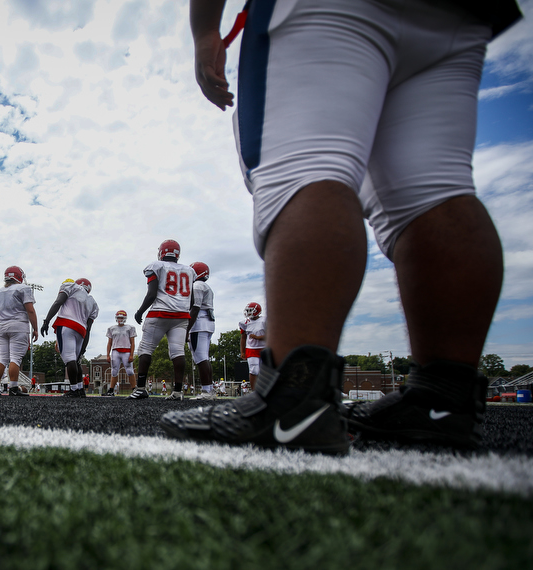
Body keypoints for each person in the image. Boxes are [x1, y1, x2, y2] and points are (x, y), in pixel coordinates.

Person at [162, 0, 521, 453]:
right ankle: (443, 402)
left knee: (306, 170)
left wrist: (204, 32)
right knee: (435, 189)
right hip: (456, 14)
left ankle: (295, 402)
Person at [129, 239, 196, 400]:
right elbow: (192, 301)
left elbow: (152, 294)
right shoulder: (189, 271)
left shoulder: (156, 266)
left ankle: (140, 388)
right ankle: (178, 392)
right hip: (181, 316)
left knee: (146, 349)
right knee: (178, 351)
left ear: (161, 252)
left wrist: (140, 311)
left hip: (160, 313)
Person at [40, 278, 97, 398]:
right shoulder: (93, 302)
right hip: (81, 331)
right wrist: (84, 348)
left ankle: (74, 389)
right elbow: (89, 329)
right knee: (76, 360)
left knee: (69, 359)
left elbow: (58, 302)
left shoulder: (71, 286)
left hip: (67, 325)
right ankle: (80, 389)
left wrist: (47, 320)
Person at [0, 266, 38, 396]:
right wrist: (35, 328)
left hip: (3, 326)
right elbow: (30, 310)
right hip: (18, 325)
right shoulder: (23, 288)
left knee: (2, 358)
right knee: (15, 358)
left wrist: (1, 325)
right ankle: (13, 388)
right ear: (18, 276)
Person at [186, 262, 217, 401]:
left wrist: (186, 329)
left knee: (200, 358)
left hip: (199, 324)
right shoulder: (206, 287)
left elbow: (195, 308)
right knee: (204, 357)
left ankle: (206, 391)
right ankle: (209, 390)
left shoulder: (197, 285)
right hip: (207, 323)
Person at [105, 310, 136, 397]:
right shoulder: (111, 328)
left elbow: (132, 342)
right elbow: (109, 342)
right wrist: (108, 355)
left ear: (125, 318)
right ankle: (111, 390)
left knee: (130, 371)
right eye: (118, 317)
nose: (119, 319)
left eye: (121, 317)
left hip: (126, 351)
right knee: (114, 371)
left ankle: (134, 389)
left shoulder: (130, 327)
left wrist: (131, 354)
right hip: (115, 351)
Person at [238, 302, 266, 389]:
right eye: (247, 311)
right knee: (254, 370)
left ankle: (264, 390)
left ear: (257, 311)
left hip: (264, 348)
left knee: (264, 371)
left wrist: (258, 337)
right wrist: (242, 351)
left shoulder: (265, 320)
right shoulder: (245, 323)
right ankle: (254, 392)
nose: (248, 313)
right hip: (251, 349)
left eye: (250, 311)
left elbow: (271, 335)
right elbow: (243, 338)